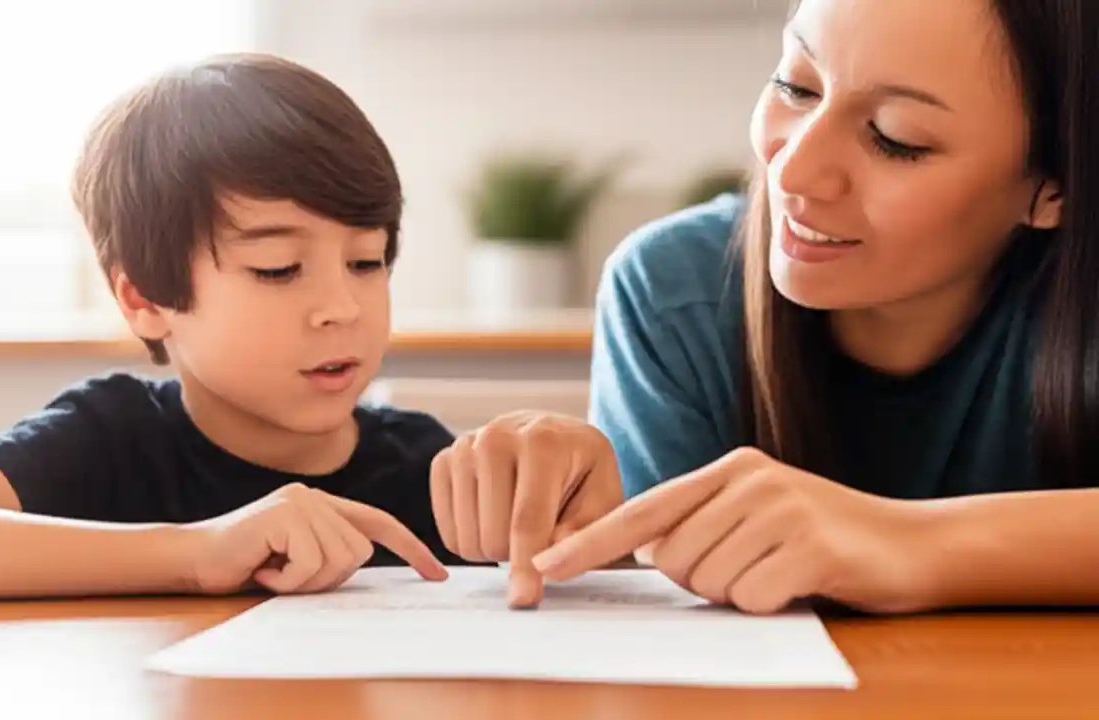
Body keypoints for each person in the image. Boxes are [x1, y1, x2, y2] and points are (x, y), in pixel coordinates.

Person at [0, 54, 615, 612]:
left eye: (367, 261)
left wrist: (584, 506)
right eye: (277, 269)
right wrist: (198, 553)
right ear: (143, 298)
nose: (341, 306)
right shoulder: (112, 439)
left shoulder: (424, 466)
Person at [451, 0, 1099, 615]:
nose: (793, 172)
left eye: (895, 139)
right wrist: (582, 520)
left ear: (1054, 189)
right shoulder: (676, 292)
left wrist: (907, 544)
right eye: (797, 86)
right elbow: (661, 613)